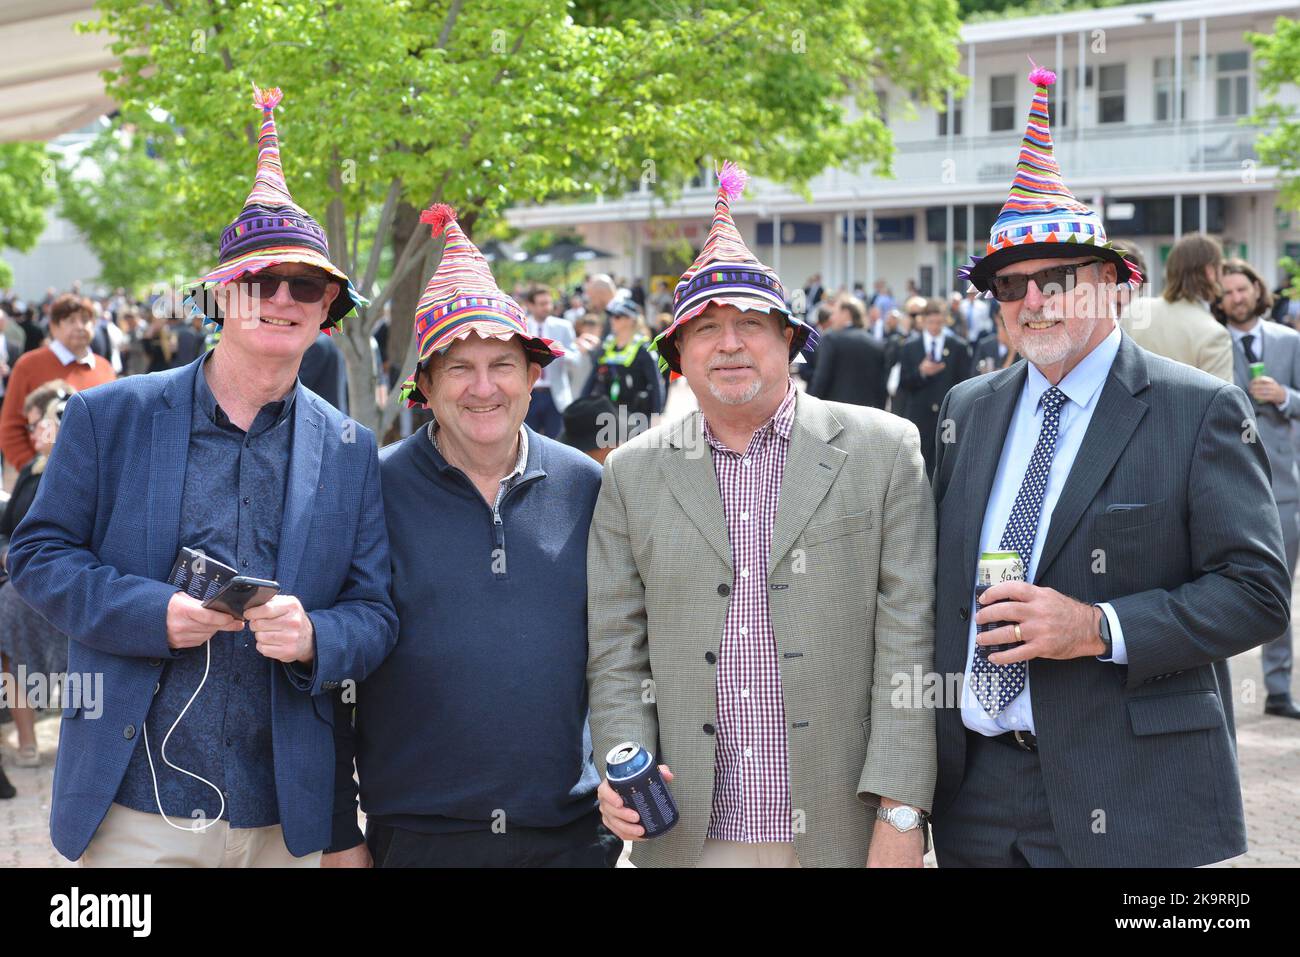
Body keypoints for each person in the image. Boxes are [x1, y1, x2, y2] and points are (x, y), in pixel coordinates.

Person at [7, 84, 397, 867]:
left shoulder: (351, 448)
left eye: (306, 286)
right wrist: (155, 612)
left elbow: (376, 613)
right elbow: (37, 557)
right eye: (261, 280)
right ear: (219, 295)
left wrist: (317, 634)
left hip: (284, 815)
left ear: (328, 310)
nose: (282, 298)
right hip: (134, 808)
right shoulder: (106, 418)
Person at [934, 64, 1289, 867]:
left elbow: (1258, 592)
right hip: (978, 798)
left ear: (1111, 286)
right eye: (1012, 286)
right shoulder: (967, 408)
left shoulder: (1197, 409)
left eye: (1058, 279)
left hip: (1133, 791)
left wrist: (1098, 627)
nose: (1035, 301)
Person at [587, 162, 936, 868]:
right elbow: (616, 648)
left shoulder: (882, 449)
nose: (731, 342)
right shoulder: (631, 471)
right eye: (706, 328)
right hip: (687, 834)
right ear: (678, 353)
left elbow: (910, 639)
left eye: (751, 323)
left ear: (790, 342)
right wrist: (624, 764)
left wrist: (902, 808)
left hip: (843, 829)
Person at [323, 205, 617, 869]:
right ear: (423, 385)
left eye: (503, 364)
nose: (484, 388)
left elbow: (623, 651)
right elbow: (332, 674)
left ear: (534, 375)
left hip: (572, 837)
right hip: (421, 838)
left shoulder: (587, 485)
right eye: (458, 368)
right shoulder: (369, 490)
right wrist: (340, 830)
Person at [1217, 258, 1300, 720]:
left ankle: (1278, 689)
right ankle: (1219, 692)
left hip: (1284, 485)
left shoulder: (1290, 342)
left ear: (1256, 289)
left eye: (1241, 289)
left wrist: (1285, 397)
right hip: (1230, 484)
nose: (1236, 298)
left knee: (1280, 589)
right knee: (1225, 588)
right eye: (1226, 292)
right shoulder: (1213, 344)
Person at [0, 382, 75, 779]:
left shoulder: (77, 469)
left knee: (9, 608)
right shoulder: (31, 468)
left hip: (62, 582)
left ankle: (70, 735)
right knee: (9, 609)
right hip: (20, 577)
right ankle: (26, 739)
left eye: (38, 426)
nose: (32, 435)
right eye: (29, 428)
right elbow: (9, 523)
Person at [0, 293, 116, 473]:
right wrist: (35, 472)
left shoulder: (104, 368)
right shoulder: (29, 365)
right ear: (53, 327)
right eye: (70, 320)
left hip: (97, 479)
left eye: (85, 320)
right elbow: (10, 428)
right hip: (47, 480)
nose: (80, 326)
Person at [1124, 233, 1233, 383]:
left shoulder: (1135, 310)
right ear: (1210, 272)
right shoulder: (1214, 334)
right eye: (1221, 268)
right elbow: (1222, 403)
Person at [897, 296, 971, 475]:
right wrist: (922, 372)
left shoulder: (958, 346)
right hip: (919, 415)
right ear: (923, 321)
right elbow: (904, 383)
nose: (935, 327)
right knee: (919, 462)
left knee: (947, 459)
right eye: (931, 322)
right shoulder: (910, 346)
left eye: (939, 322)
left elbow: (965, 382)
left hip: (948, 416)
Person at [582, 298, 662, 424]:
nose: (612, 320)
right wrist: (581, 404)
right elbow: (592, 378)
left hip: (636, 416)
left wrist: (656, 416)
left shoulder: (643, 349)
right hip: (608, 414)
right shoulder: (607, 346)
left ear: (631, 320)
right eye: (611, 316)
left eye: (617, 316)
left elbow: (656, 384)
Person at [807, 295, 889, 409]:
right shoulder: (876, 344)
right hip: (866, 417)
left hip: (835, 416)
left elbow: (821, 380)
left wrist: (810, 408)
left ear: (846, 313)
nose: (831, 318)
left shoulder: (831, 339)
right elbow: (882, 388)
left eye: (834, 313)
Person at [522, 283, 576, 438]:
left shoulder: (563, 326)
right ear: (530, 305)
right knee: (526, 439)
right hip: (529, 392)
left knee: (557, 441)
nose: (547, 307)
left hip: (555, 394)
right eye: (542, 304)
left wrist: (560, 351)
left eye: (549, 303)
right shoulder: (522, 327)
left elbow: (575, 359)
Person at [297, 330, 350, 413]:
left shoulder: (318, 345)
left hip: (319, 413)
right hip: (338, 411)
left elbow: (300, 385)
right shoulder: (336, 343)